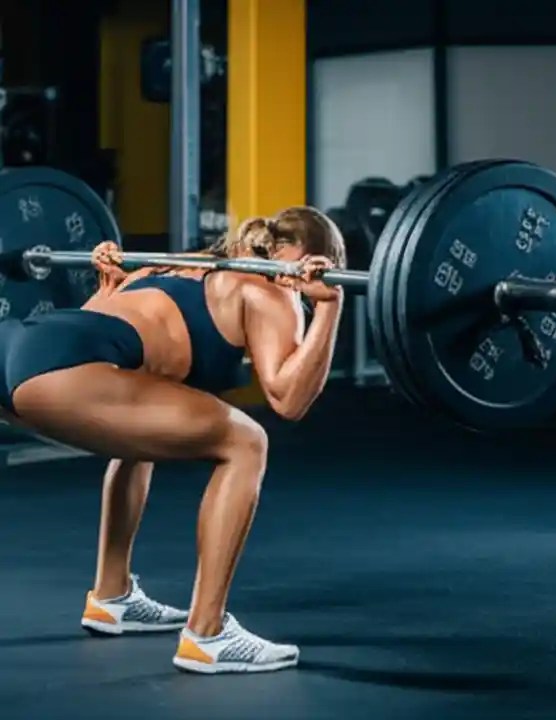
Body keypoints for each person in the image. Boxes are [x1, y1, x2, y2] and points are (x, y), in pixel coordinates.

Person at [0, 206, 347, 674]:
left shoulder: (166, 267)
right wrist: (329, 306)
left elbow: (90, 329)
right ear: (312, 259)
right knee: (246, 441)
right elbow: (289, 398)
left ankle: (111, 596)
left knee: (143, 425)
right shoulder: (270, 288)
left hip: (19, 345)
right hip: (60, 371)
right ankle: (208, 633)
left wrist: (107, 289)